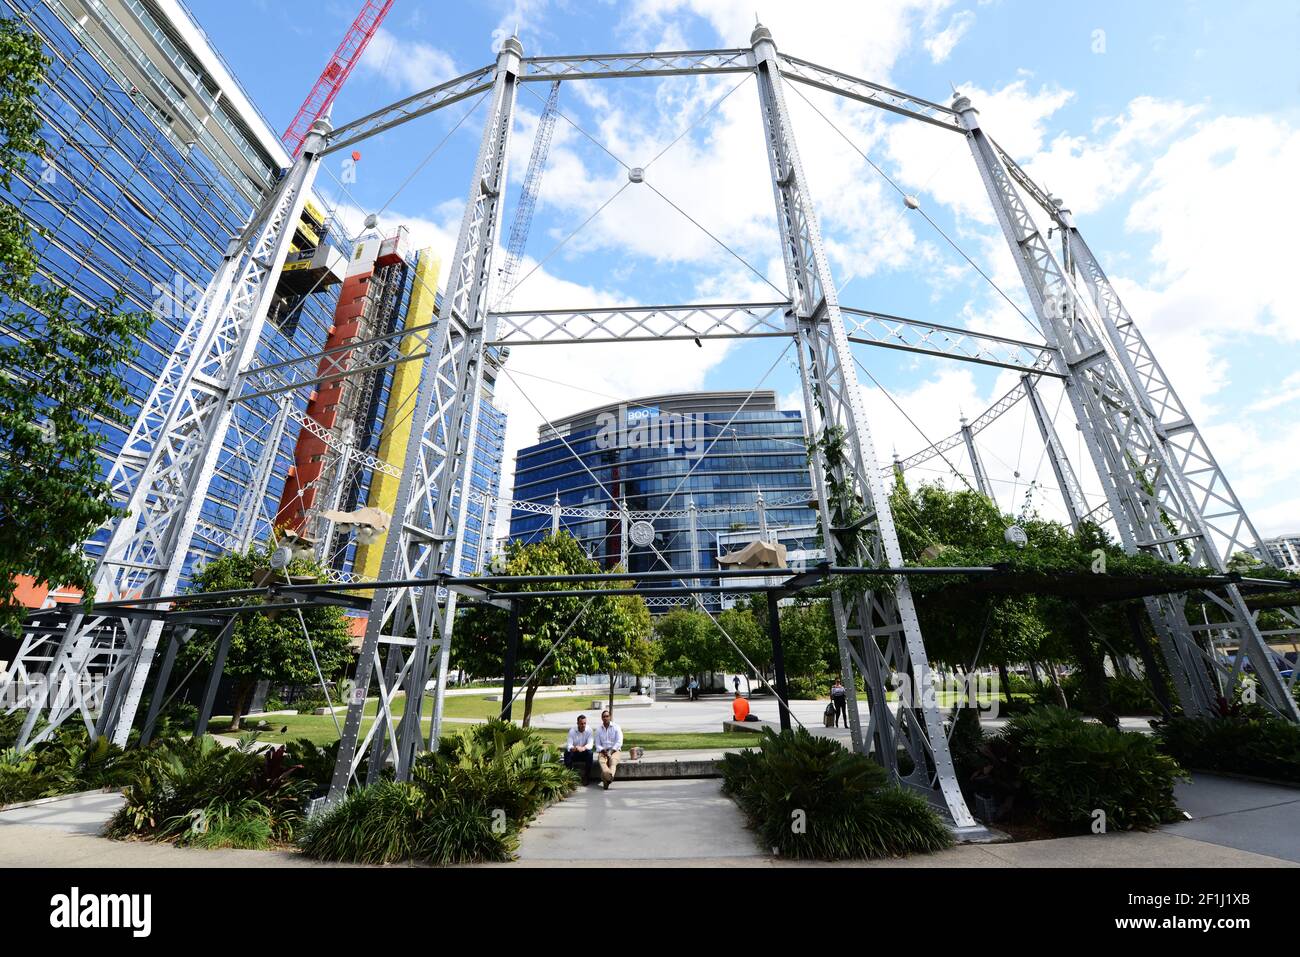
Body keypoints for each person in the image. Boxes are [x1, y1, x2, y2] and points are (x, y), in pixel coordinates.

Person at [594, 709, 623, 790]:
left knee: (613, 762)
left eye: (607, 716)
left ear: (610, 717)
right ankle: (609, 778)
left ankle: (606, 779)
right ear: (601, 718)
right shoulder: (598, 730)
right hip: (603, 751)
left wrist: (611, 751)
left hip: (615, 750)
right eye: (604, 717)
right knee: (602, 762)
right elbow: (597, 744)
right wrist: (603, 751)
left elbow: (619, 742)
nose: (605, 718)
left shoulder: (616, 727)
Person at [564, 714, 595, 784]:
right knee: (567, 753)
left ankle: (586, 777)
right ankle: (570, 777)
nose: (583, 725)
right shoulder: (572, 731)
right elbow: (569, 745)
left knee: (590, 753)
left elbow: (590, 744)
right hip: (575, 752)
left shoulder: (589, 730)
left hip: (584, 752)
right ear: (577, 723)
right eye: (581, 723)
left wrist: (583, 748)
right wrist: (575, 748)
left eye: (585, 723)